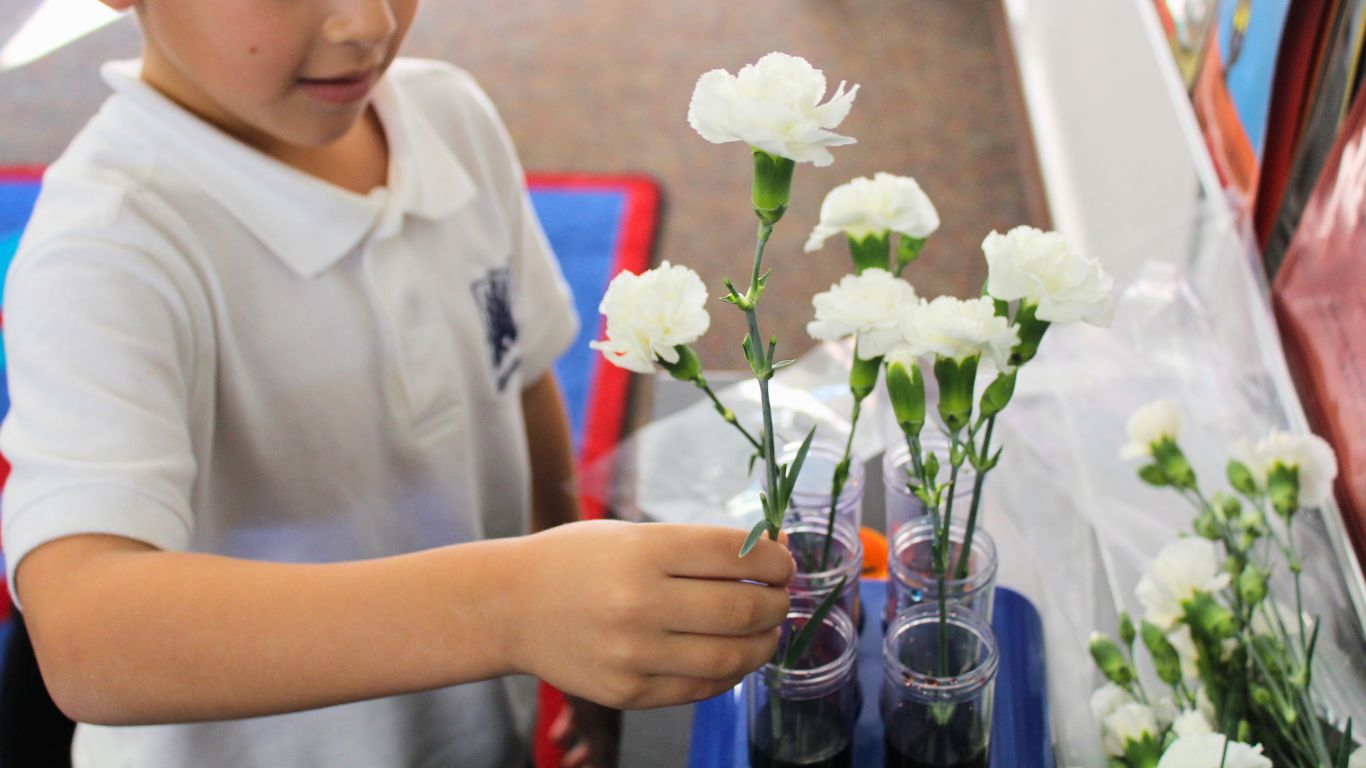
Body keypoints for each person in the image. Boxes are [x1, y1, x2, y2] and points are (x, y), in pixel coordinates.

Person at [0, 1, 795, 766]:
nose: (368, 22)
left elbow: (517, 380)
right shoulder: (105, 250)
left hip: (483, 725)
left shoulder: (448, 115)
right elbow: (86, 637)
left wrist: (567, 658)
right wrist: (508, 607)